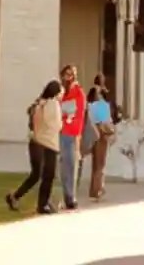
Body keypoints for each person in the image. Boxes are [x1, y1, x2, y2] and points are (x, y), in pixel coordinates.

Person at [7, 80, 63, 215]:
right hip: (48, 143)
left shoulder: (39, 104)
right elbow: (56, 125)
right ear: (56, 93)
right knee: (48, 175)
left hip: (35, 142)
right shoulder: (53, 104)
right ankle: (42, 204)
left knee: (36, 175)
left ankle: (16, 196)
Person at [58, 63, 85, 210]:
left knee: (70, 165)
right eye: (66, 74)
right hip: (59, 131)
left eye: (71, 74)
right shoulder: (61, 92)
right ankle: (64, 196)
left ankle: (70, 197)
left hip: (71, 132)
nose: (68, 77)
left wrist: (78, 136)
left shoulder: (78, 92)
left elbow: (77, 114)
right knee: (62, 166)